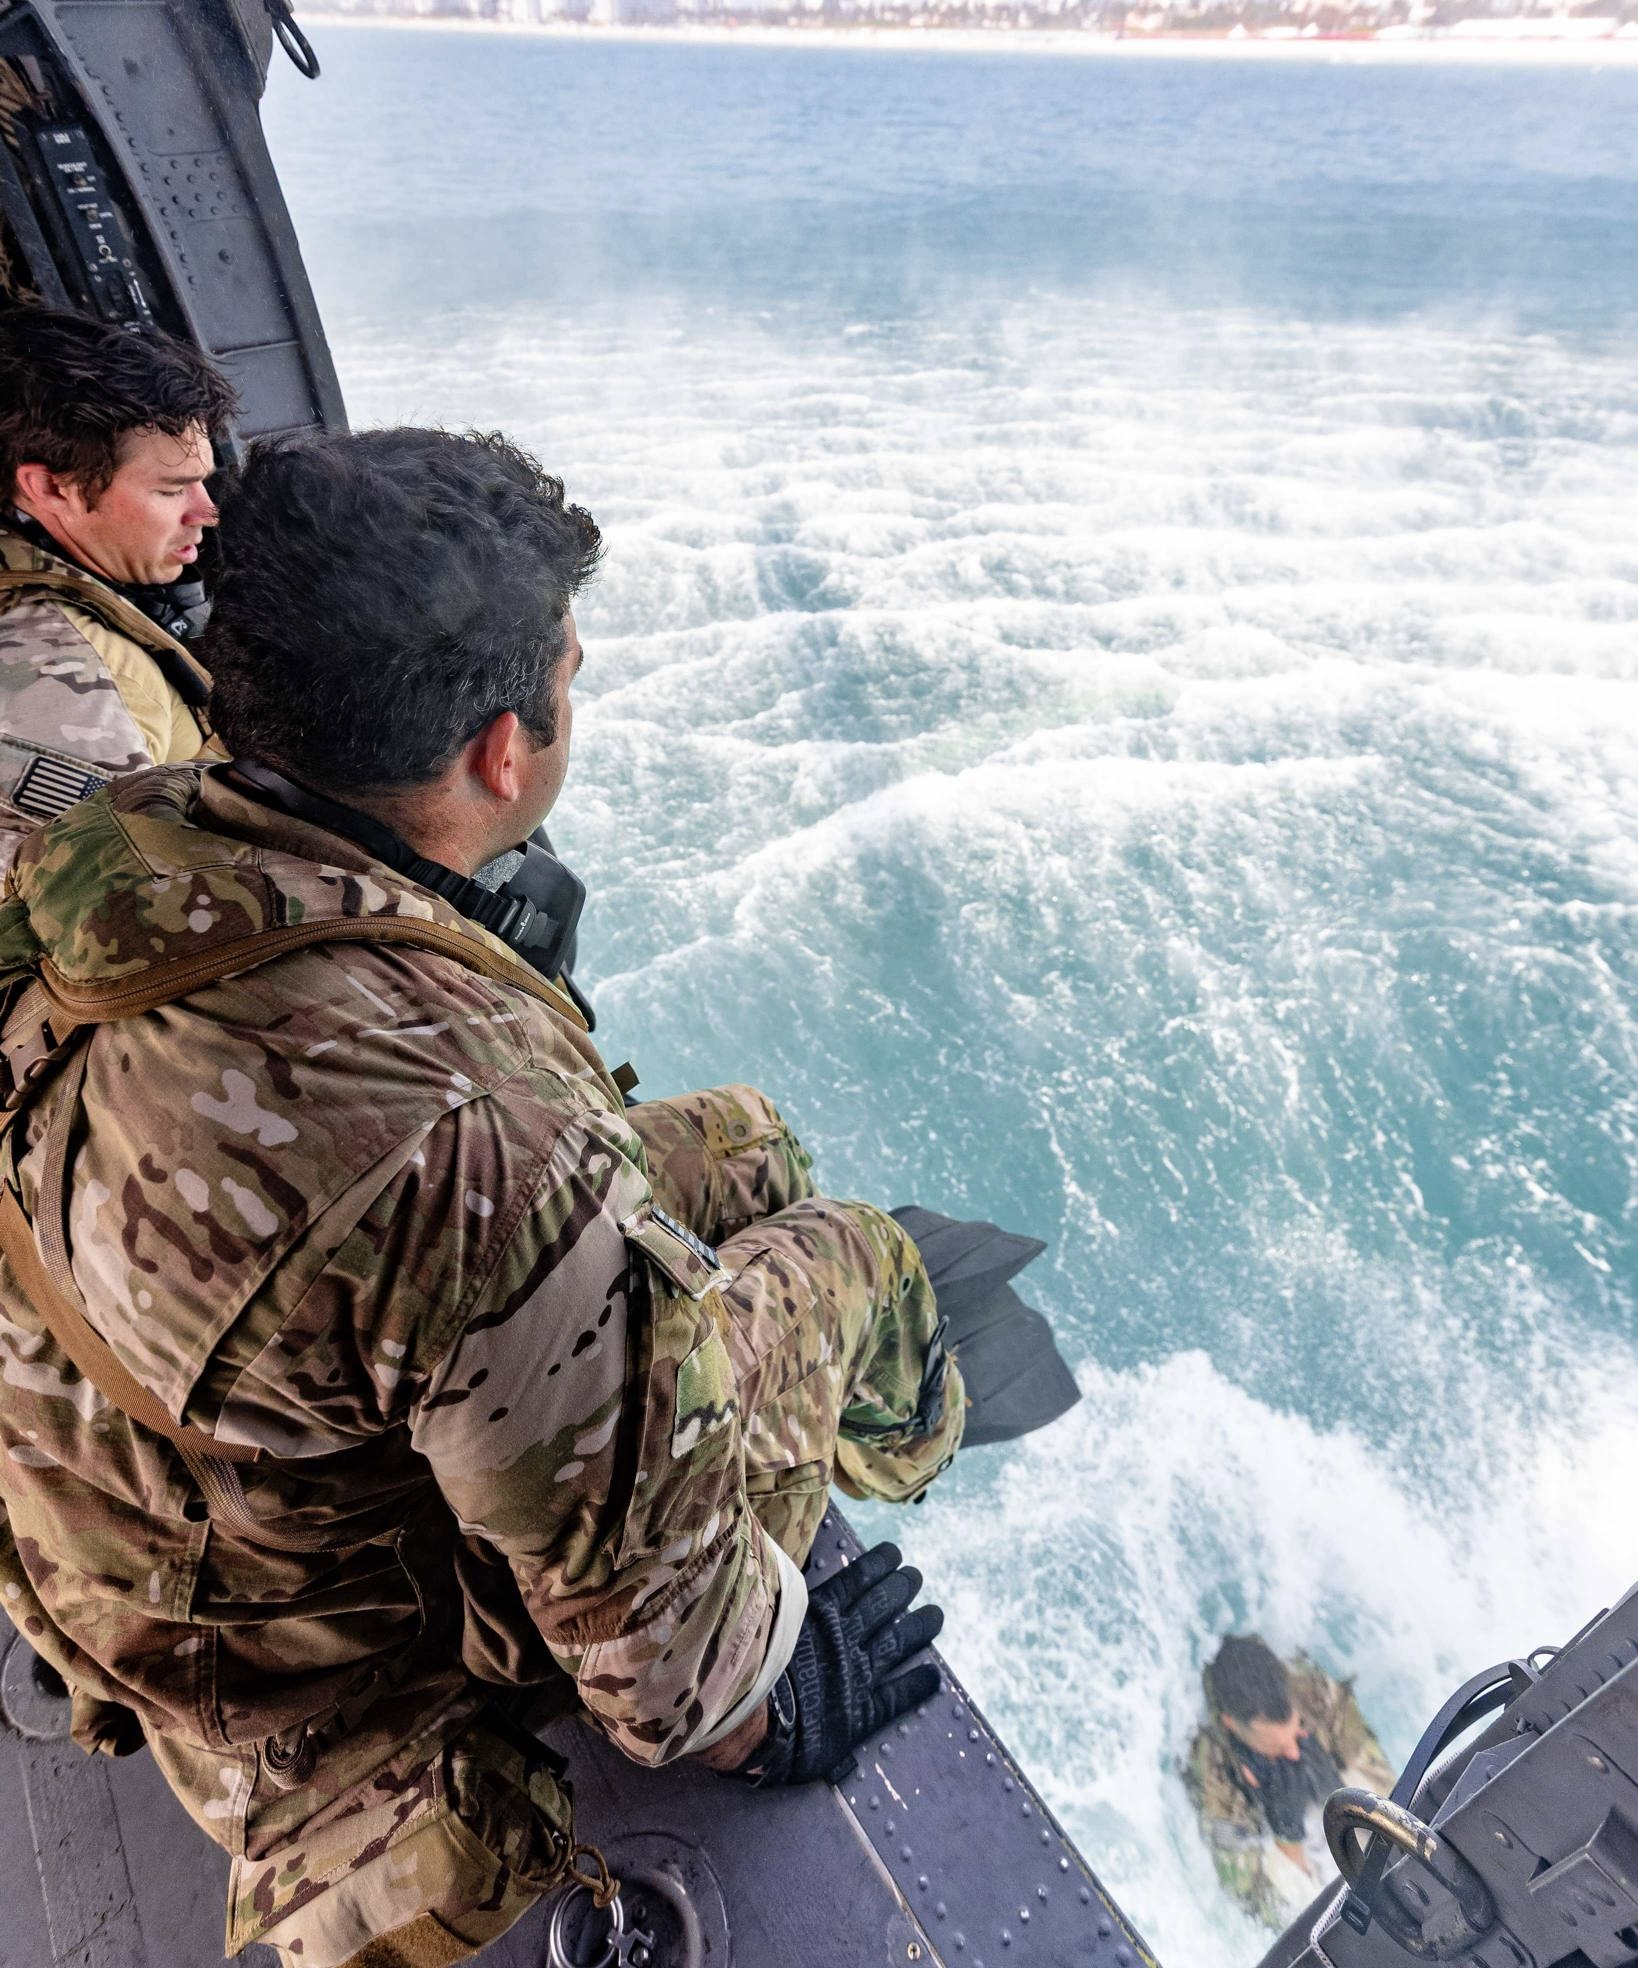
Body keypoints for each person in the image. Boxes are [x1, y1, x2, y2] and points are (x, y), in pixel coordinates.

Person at [0, 426, 965, 1968]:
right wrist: (775, 1699)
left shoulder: (124, 855)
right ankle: (897, 1433)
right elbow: (670, 1690)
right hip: (328, 1678)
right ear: (502, 752)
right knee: (845, 1249)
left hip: (165, 1494)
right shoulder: (485, 1148)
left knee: (744, 1144)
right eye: (567, 674)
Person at [0, 307, 235, 869]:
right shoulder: (71, 677)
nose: (208, 511)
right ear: (52, 487)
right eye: (171, 489)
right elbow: (142, 914)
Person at [1185, 1633, 1394, 1928]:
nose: (1294, 1753)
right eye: (1277, 1749)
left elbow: (1394, 1793)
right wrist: (1288, 1840)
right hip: (1279, 1848)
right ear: (1232, 1725)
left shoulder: (1317, 1695)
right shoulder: (1214, 1772)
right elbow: (1254, 1900)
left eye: (1295, 1735)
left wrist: (1341, 1787)